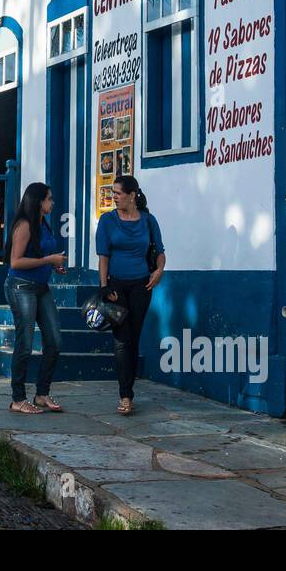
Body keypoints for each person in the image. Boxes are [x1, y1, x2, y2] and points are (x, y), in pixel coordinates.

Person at [96, 174, 165, 416]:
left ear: (132, 195)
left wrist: (159, 271)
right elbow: (103, 257)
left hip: (141, 286)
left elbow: (159, 251)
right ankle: (126, 395)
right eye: (112, 192)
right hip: (116, 286)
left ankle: (128, 388)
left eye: (117, 193)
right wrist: (104, 287)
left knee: (133, 338)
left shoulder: (148, 221)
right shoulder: (107, 221)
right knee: (122, 339)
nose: (113, 197)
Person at [3, 182, 67, 414]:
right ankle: (18, 399)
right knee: (25, 343)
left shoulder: (43, 224)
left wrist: (54, 266)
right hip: (21, 287)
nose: (52, 202)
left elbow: (40, 255)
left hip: (41, 287)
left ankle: (41, 394)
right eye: (49, 198)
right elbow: (16, 262)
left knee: (55, 341)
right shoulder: (25, 225)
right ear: (38, 201)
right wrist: (49, 260)